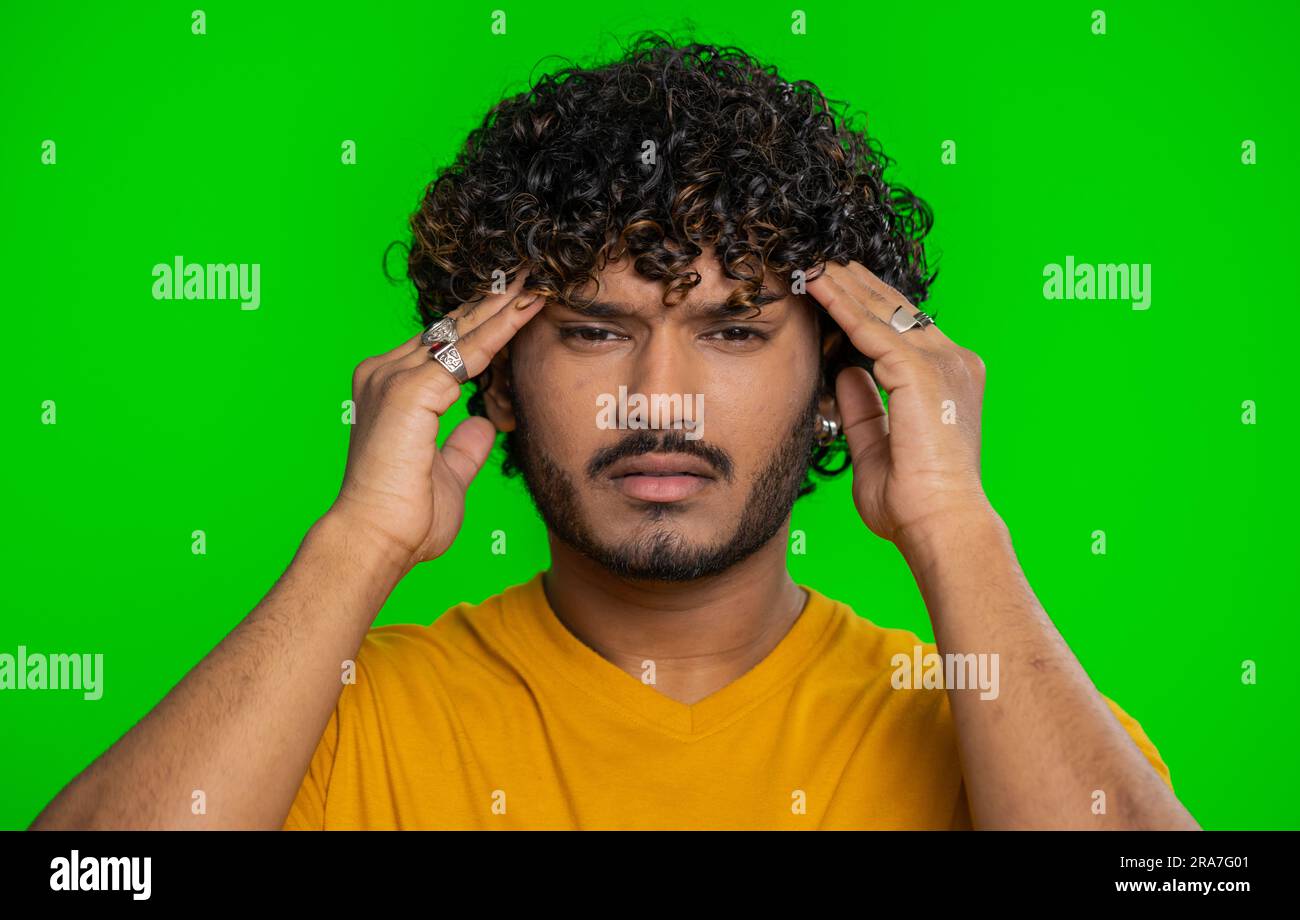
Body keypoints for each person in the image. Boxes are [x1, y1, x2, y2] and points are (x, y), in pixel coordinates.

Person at [29, 35, 1199, 831]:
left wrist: (956, 526)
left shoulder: (1001, 721)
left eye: (735, 333)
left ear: (840, 377)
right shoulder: (332, 718)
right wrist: (356, 541)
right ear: (491, 377)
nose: (662, 399)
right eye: (594, 330)